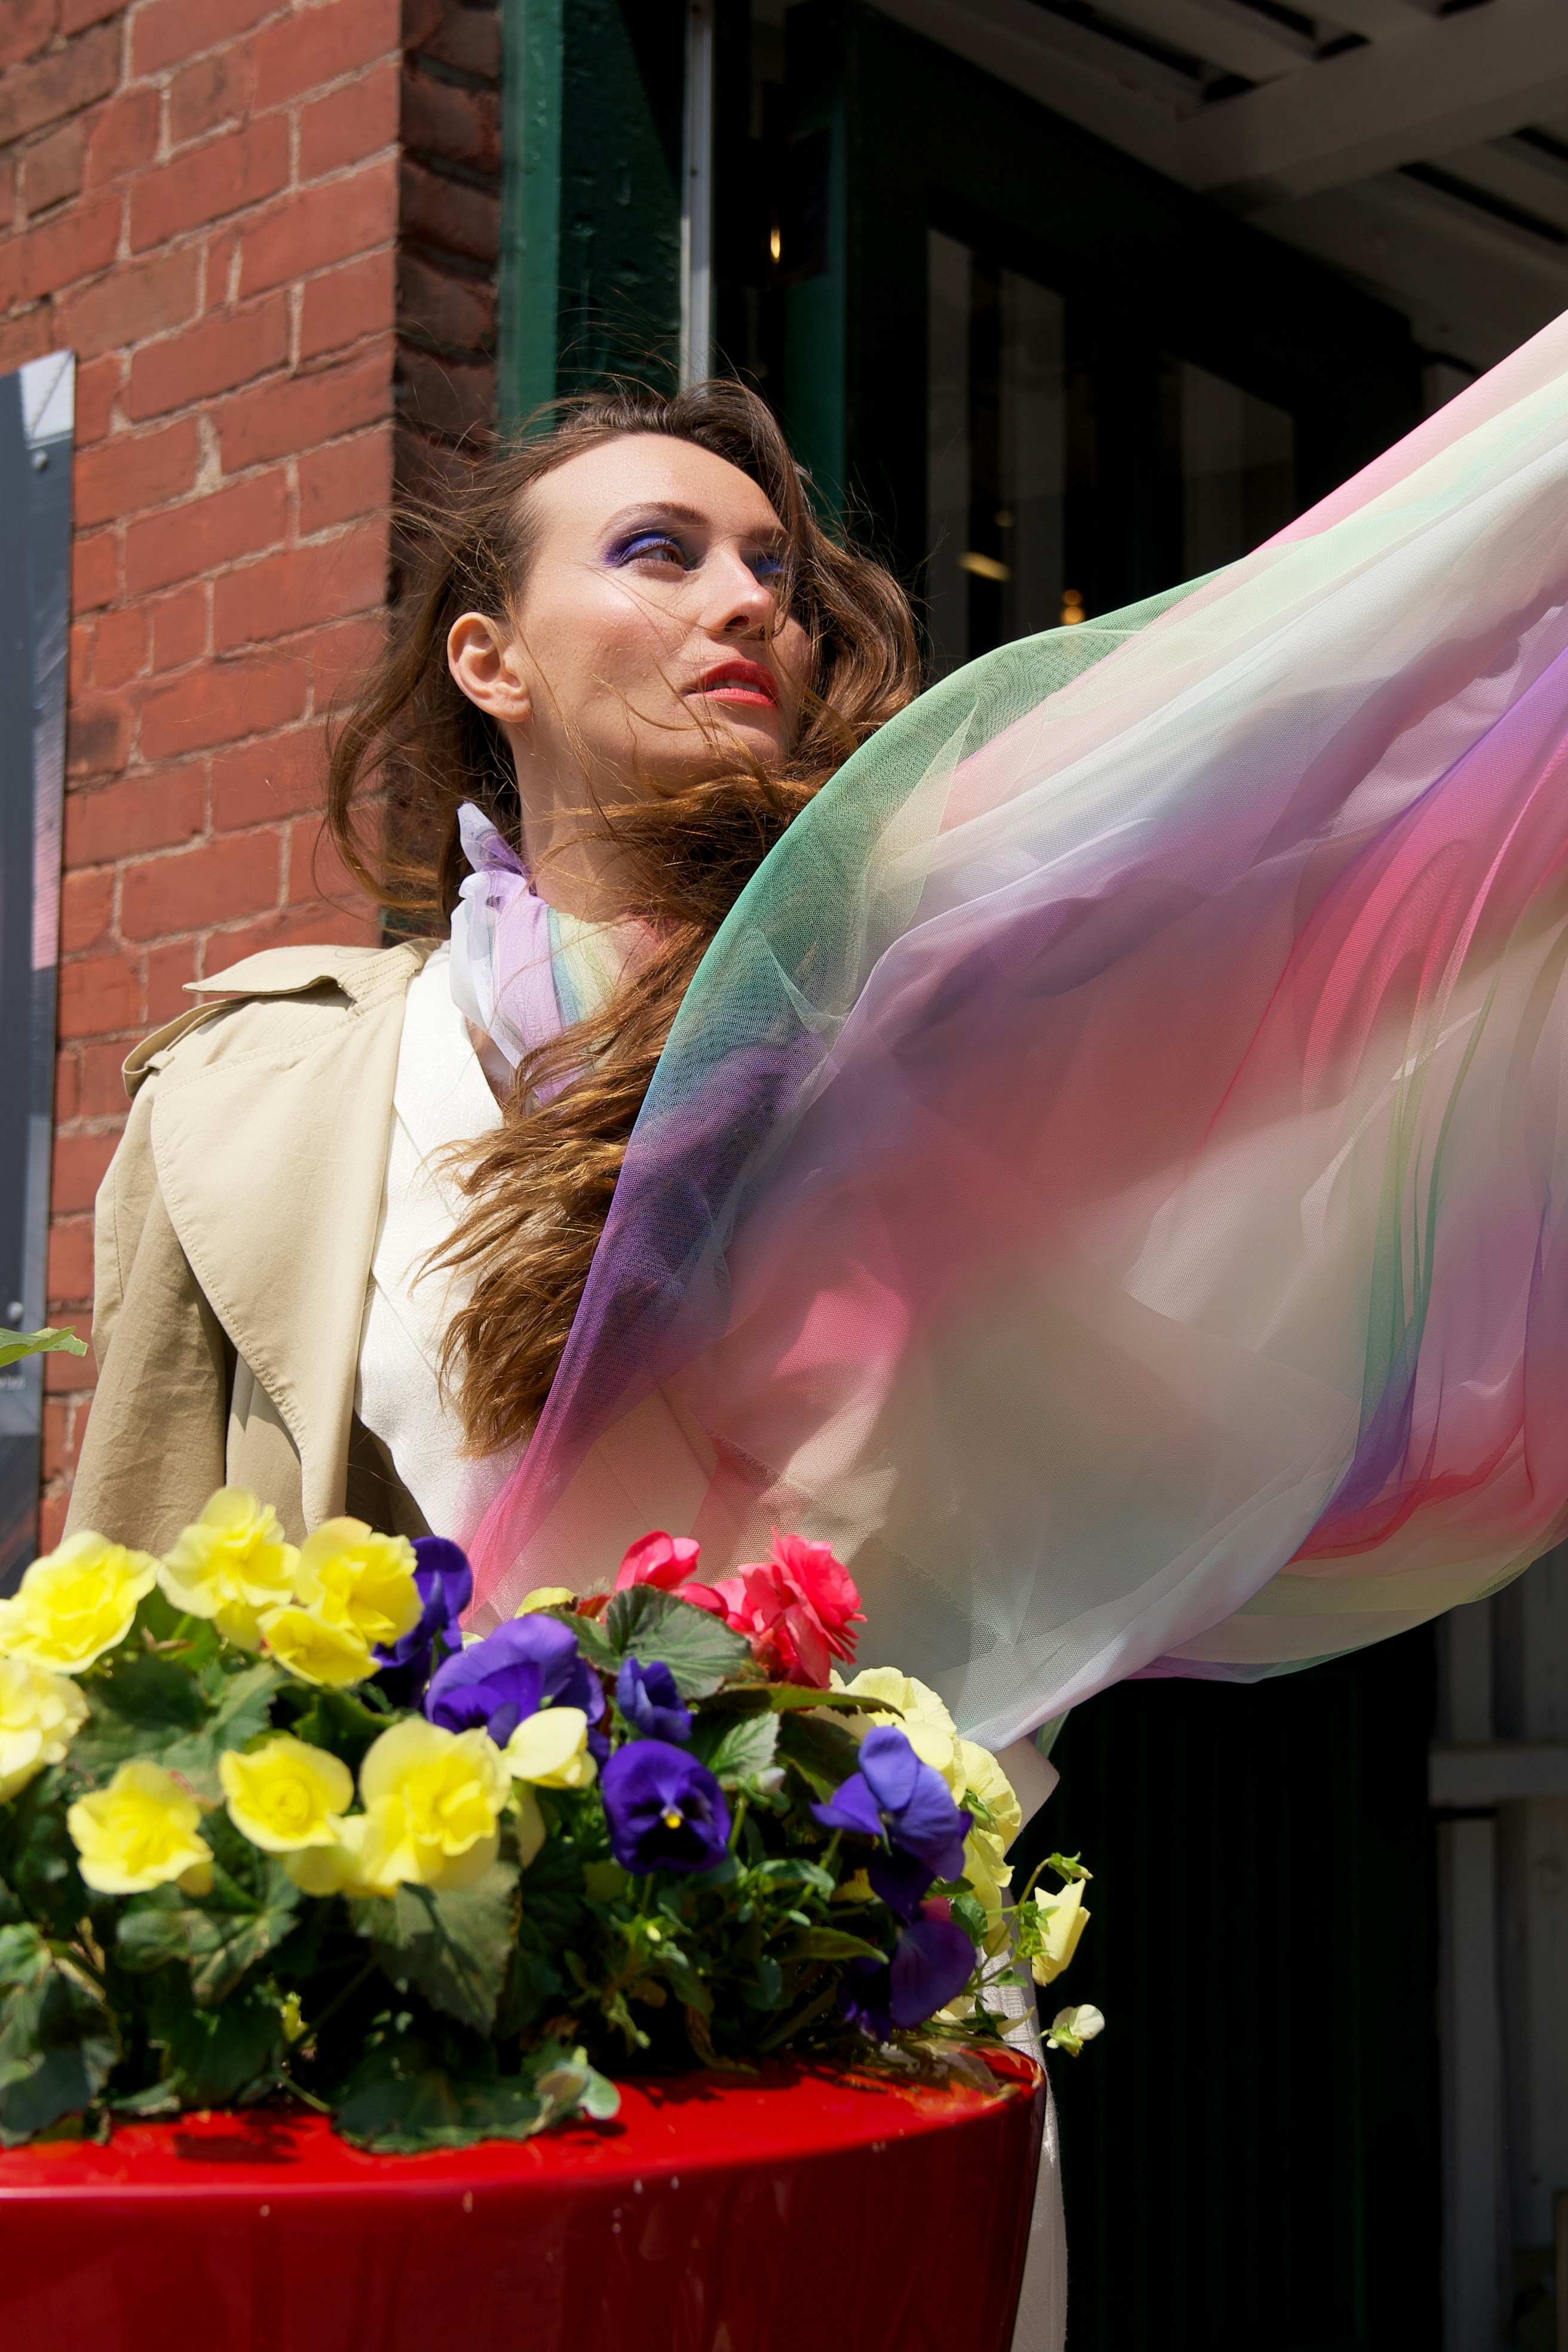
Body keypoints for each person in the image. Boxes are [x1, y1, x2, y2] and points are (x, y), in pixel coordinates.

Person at [66, 381, 918, 1570]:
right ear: (492, 660)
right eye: (660, 554)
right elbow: (138, 1563)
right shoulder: (257, 1081)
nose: (747, 604)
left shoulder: (899, 1017)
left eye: (772, 574)